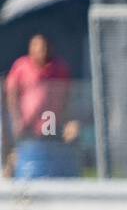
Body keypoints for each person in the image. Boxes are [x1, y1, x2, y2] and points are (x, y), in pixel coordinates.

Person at [5, 34, 78, 178]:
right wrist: (16, 118)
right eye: (36, 46)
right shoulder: (21, 66)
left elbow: (68, 96)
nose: (41, 50)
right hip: (26, 123)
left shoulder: (59, 68)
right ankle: (10, 179)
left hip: (50, 121)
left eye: (43, 47)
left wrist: (70, 121)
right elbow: (11, 92)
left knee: (47, 153)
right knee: (20, 153)